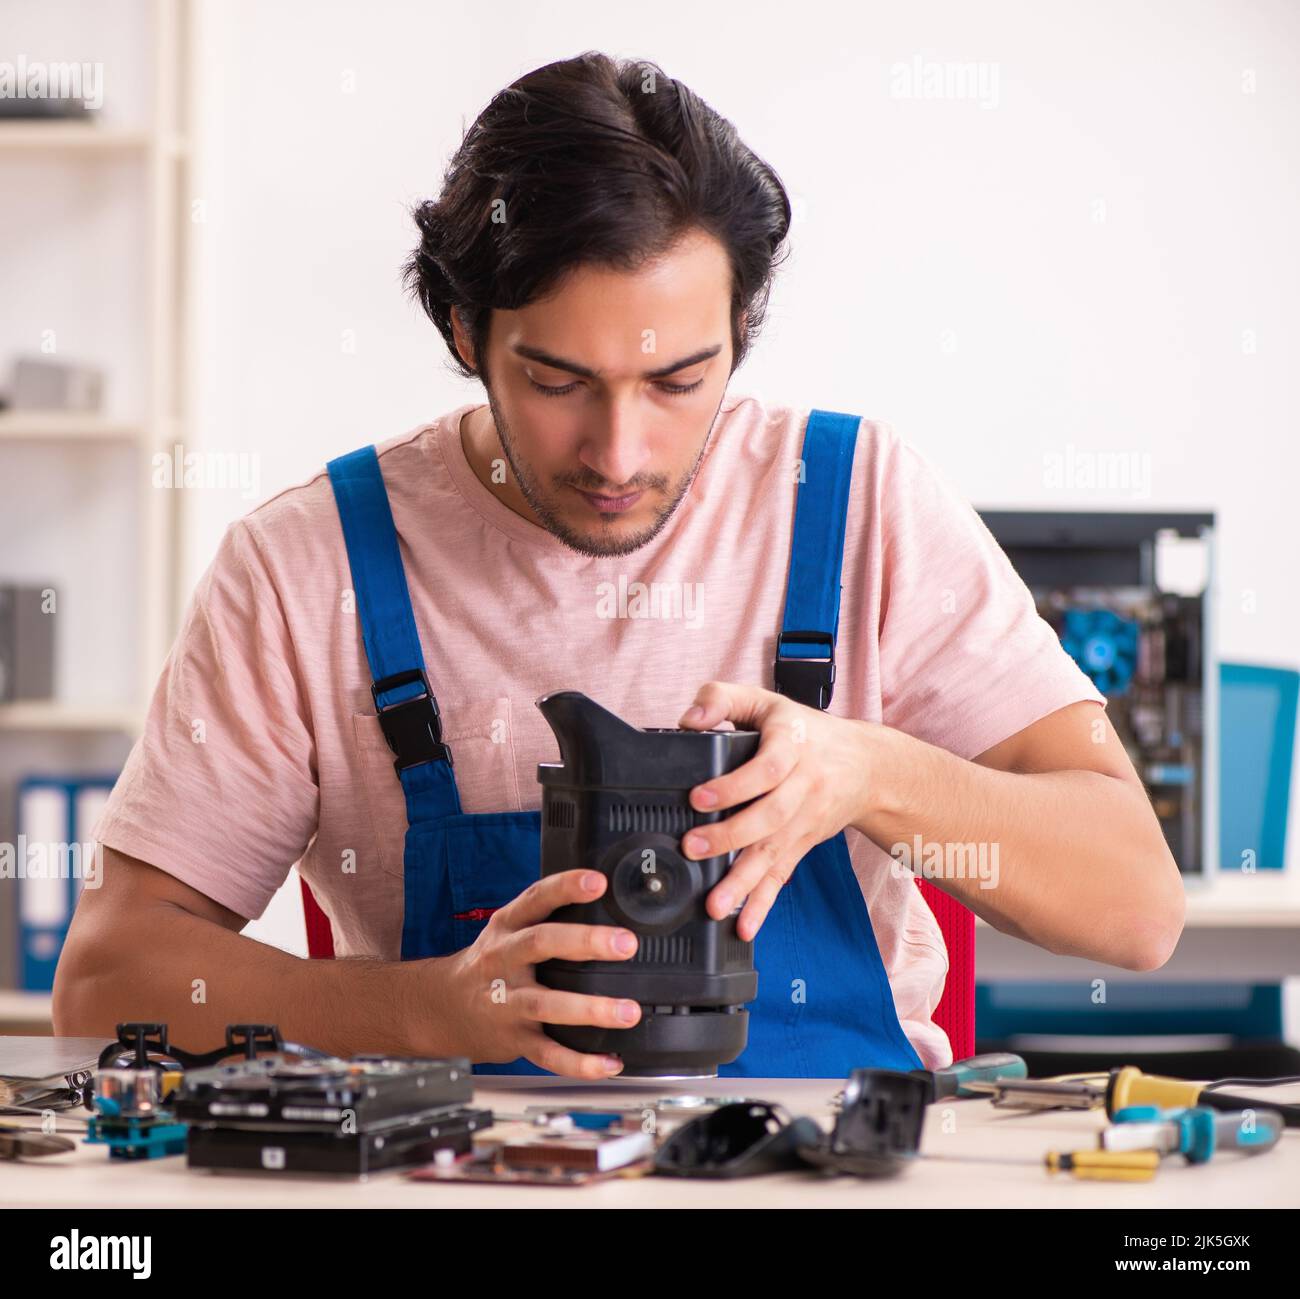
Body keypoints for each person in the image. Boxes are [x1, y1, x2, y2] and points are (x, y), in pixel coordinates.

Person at [54, 51, 1184, 1079]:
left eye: (678, 381)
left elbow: (1134, 907)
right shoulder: (307, 567)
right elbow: (106, 982)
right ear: (463, 332)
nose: (619, 454)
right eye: (557, 382)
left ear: (741, 330)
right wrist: (420, 1010)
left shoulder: (855, 505)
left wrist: (869, 775)